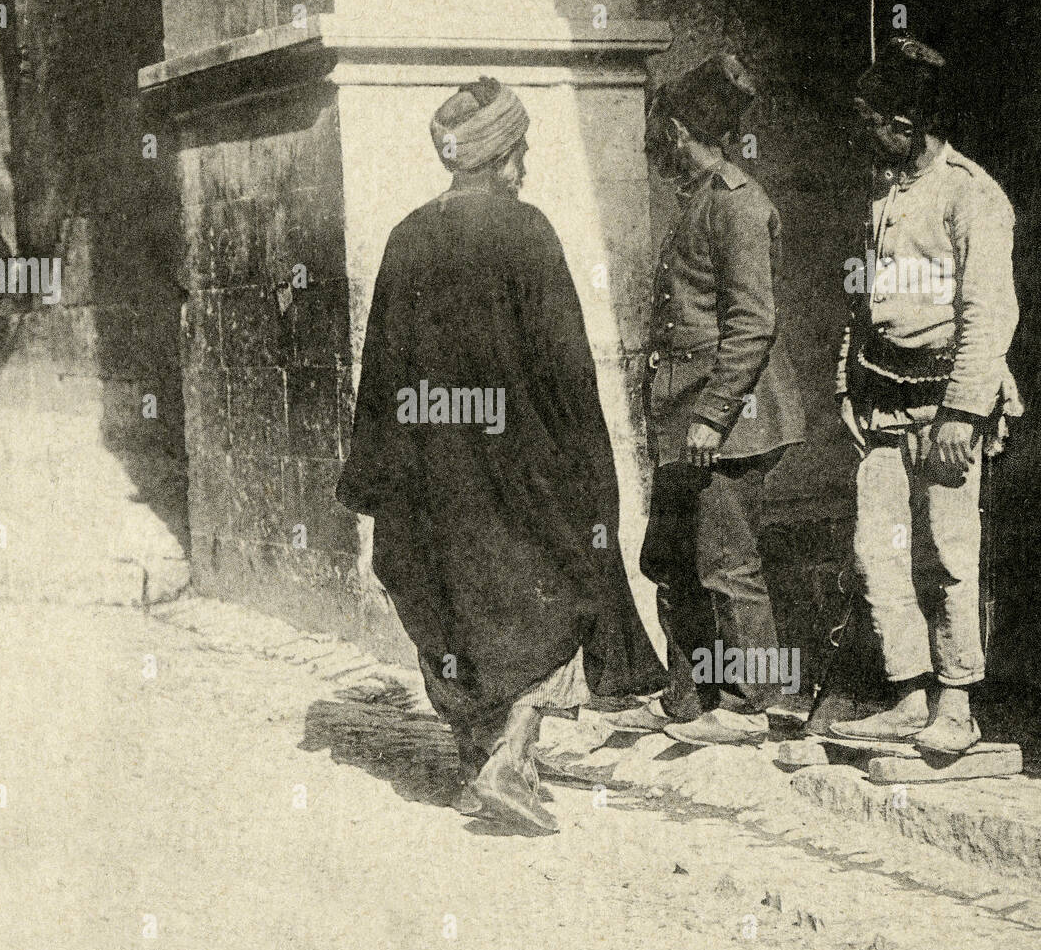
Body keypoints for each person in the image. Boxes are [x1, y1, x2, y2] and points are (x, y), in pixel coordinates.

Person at [336, 77, 668, 833]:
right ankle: (509, 757)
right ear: (501, 155)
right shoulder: (526, 232)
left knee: (451, 608)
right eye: (520, 149)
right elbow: (565, 369)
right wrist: (591, 471)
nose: (526, 162)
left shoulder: (408, 235)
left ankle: (475, 761)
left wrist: (376, 475)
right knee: (558, 596)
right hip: (519, 472)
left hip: (430, 475)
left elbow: (380, 374)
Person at [831, 35, 1020, 755]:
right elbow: (866, 299)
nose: (863, 130)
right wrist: (847, 380)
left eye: (871, 116)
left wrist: (965, 412)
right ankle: (908, 693)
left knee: (947, 554)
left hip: (947, 402)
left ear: (906, 122)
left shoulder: (971, 195)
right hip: (882, 400)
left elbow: (990, 311)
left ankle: (956, 702)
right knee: (878, 548)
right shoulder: (885, 192)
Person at [615, 53, 806, 746]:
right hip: (684, 420)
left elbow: (753, 324)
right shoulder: (698, 199)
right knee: (671, 557)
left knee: (726, 560)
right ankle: (687, 695)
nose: (658, 141)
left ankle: (754, 701)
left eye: (661, 130)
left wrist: (710, 416)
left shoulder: (736, 204)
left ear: (676, 128)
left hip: (726, 421)